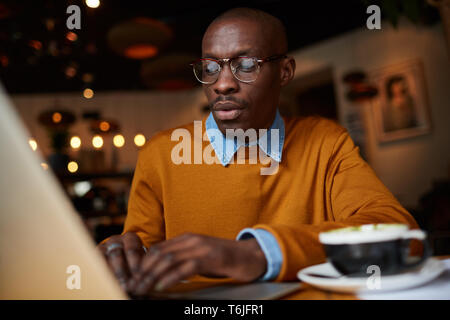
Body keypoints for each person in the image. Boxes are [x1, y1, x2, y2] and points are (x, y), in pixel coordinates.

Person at [99, 7, 420, 297]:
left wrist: (258, 253)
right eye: (210, 67)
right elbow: (139, 255)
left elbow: (397, 231)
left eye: (246, 65)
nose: (222, 84)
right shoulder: (160, 154)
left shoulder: (326, 142)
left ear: (285, 71)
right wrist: (116, 259)